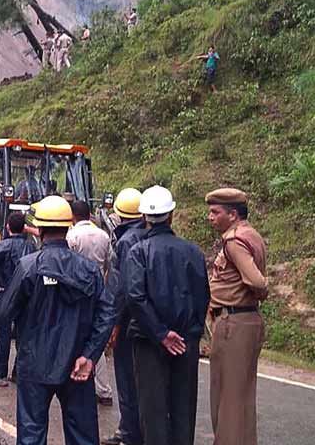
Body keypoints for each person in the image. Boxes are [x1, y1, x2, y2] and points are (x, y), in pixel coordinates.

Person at [0, 196, 115, 445]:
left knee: (31, 435)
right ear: (68, 225)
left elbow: (4, 311)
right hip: (77, 364)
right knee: (82, 436)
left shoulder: (28, 267)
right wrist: (89, 356)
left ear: (38, 229)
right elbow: (106, 314)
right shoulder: (89, 270)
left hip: (34, 362)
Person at [123, 186, 209, 445]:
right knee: (184, 410)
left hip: (150, 342)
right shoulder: (193, 251)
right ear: (171, 215)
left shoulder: (138, 251)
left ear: (144, 217)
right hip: (185, 342)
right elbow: (202, 296)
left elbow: (135, 298)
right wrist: (187, 334)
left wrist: (161, 334)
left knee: (153, 411)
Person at [206, 188, 268, 445]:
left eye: (215, 212)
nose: (210, 217)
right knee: (241, 397)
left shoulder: (233, 241)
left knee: (227, 398)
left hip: (234, 322)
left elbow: (256, 280)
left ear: (232, 214)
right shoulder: (251, 234)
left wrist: (261, 290)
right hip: (244, 320)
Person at [102, 187, 146, 445]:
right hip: (148, 320)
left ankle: (128, 432)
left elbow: (119, 288)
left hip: (128, 320)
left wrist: (113, 324)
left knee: (127, 378)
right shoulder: (150, 236)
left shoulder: (125, 242)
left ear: (118, 215)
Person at [66, 200, 115, 406]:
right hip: (98, 290)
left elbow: (67, 263)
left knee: (73, 336)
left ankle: (70, 380)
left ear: (72, 216)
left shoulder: (72, 236)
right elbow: (110, 263)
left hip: (76, 292)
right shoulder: (104, 235)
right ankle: (103, 390)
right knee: (97, 340)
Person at [0, 211, 36, 387]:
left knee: (3, 337)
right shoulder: (31, 247)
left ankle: (0, 375)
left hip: (5, 293)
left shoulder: (2, 246)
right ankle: (17, 372)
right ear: (24, 228)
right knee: (23, 336)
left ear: (7, 227)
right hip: (27, 295)